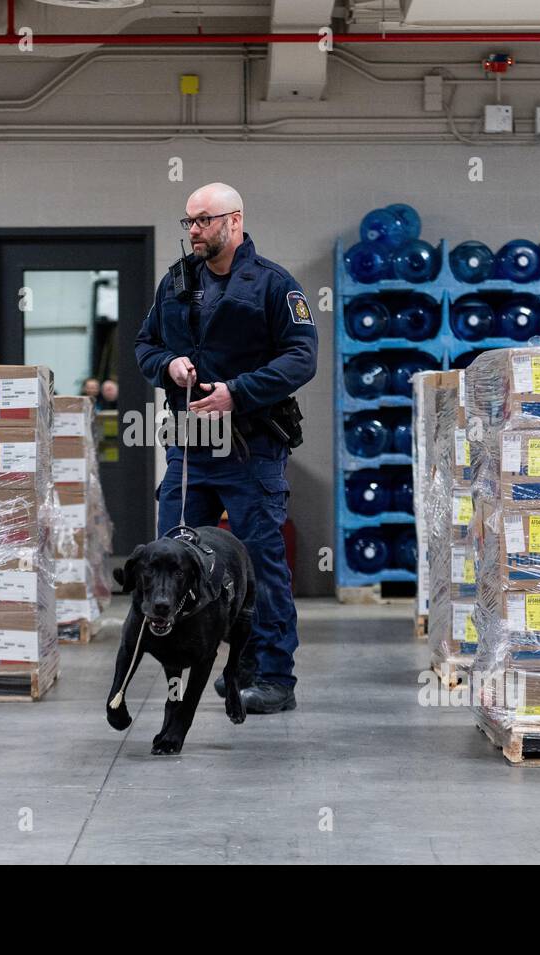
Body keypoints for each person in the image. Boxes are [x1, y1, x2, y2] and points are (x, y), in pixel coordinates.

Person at [134, 182, 317, 714]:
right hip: (189, 447)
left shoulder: (274, 286)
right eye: (188, 222)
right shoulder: (174, 284)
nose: (194, 230)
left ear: (233, 222)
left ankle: (272, 674)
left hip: (250, 447)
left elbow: (301, 358)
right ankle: (202, 664)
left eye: (204, 221)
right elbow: (146, 345)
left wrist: (237, 392)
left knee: (260, 562)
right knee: (172, 556)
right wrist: (166, 366)